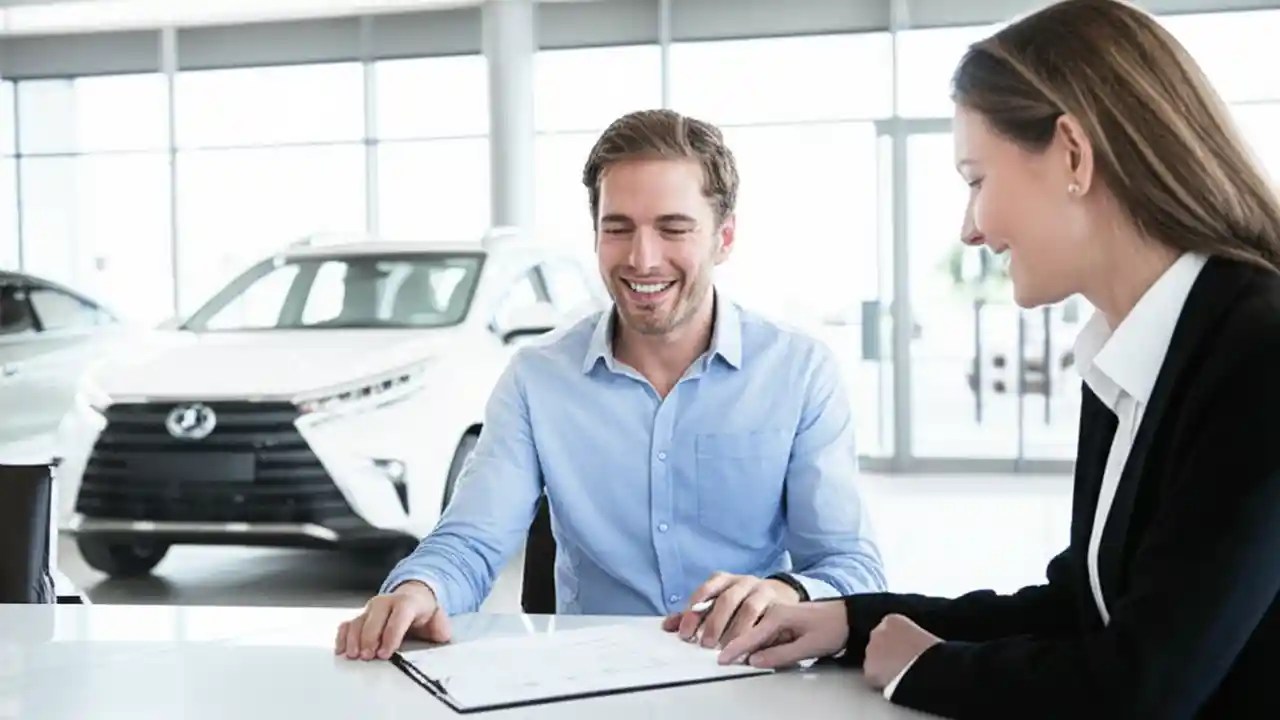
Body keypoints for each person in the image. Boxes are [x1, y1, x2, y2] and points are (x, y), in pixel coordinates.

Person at [717, 1, 1280, 718]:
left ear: (1073, 154)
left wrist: (926, 669)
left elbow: (1145, 686)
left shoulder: (1259, 355)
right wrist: (852, 621)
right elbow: (1081, 607)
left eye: (976, 179)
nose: (970, 229)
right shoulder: (1134, 356)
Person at [335, 109, 886, 661]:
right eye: (618, 228)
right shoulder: (537, 380)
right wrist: (420, 590)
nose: (642, 259)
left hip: (748, 670)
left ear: (724, 238)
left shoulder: (798, 372)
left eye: (673, 229)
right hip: (591, 678)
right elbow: (471, 541)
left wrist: (788, 593)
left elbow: (851, 568)